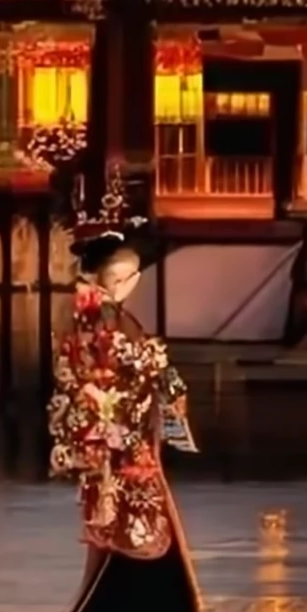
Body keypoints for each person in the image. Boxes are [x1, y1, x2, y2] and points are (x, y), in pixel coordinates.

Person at [48, 225, 197, 562]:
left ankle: (113, 541)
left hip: (94, 413)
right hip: (114, 419)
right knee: (130, 497)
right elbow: (125, 356)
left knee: (104, 493)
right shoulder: (104, 311)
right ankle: (136, 545)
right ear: (123, 279)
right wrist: (156, 361)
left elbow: (71, 365)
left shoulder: (78, 309)